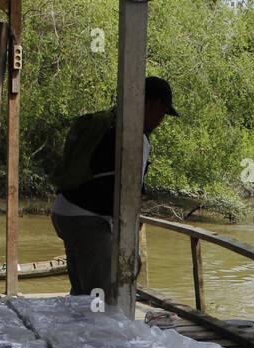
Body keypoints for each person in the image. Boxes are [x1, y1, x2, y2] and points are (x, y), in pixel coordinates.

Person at [50, 76, 179, 297]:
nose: (160, 121)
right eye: (162, 112)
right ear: (152, 104)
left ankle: (82, 329)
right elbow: (130, 196)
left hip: (65, 213)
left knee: (83, 294)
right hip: (88, 221)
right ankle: (98, 331)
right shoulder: (134, 137)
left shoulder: (108, 123)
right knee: (100, 299)